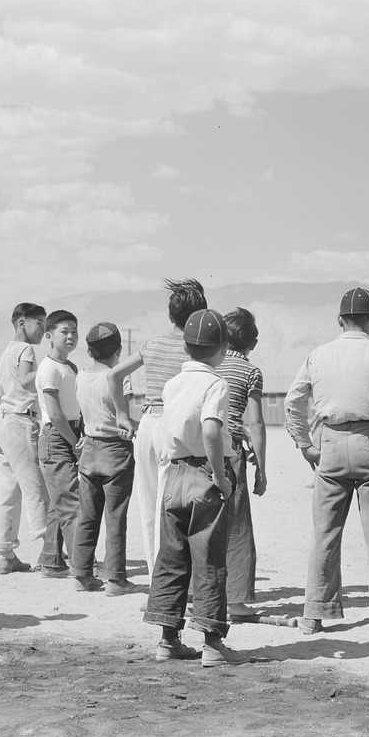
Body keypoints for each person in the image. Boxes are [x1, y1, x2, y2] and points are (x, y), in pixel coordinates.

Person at [284, 287, 369, 636]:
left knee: (325, 534)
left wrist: (304, 444)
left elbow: (293, 401)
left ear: (340, 320)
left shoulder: (318, 354)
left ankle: (314, 613)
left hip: (330, 443)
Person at [143, 309, 254, 668]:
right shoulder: (216, 383)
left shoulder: (173, 383)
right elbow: (210, 430)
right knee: (208, 560)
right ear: (222, 348)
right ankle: (212, 643)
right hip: (205, 473)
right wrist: (221, 477)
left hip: (173, 473)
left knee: (171, 558)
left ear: (187, 348)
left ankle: (167, 639)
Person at [109, 278, 207, 578]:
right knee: (175, 507)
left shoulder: (152, 344)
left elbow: (113, 375)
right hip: (173, 428)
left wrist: (122, 416)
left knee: (150, 507)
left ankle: (157, 581)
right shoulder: (195, 349)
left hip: (148, 426)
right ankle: (176, 581)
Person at [72, 322, 147, 596]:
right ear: (119, 349)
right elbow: (123, 418)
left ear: (90, 351)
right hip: (114, 449)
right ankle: (115, 579)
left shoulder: (80, 376)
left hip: (90, 449)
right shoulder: (118, 377)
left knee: (87, 516)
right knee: (115, 516)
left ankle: (81, 575)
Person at [0, 303, 51, 575]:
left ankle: (5, 555)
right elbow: (27, 381)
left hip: (2, 421)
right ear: (21, 322)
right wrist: (52, 364)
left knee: (7, 492)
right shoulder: (26, 350)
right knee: (35, 489)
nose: (44, 329)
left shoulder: (6, 351)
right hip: (19, 420)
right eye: (39, 323)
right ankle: (50, 553)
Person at [215, 308, 268, 619]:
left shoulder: (211, 364)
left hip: (202, 449)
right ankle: (235, 600)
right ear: (254, 342)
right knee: (237, 526)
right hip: (231, 451)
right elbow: (257, 424)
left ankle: (200, 593)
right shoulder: (251, 372)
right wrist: (261, 468)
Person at [34, 309, 82, 579]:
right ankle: (81, 564)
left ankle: (51, 560)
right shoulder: (49, 368)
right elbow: (54, 414)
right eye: (65, 331)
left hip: (70, 433)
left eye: (74, 331)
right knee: (71, 504)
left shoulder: (70, 367)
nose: (71, 336)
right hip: (57, 437)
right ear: (49, 336)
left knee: (58, 502)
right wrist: (75, 441)